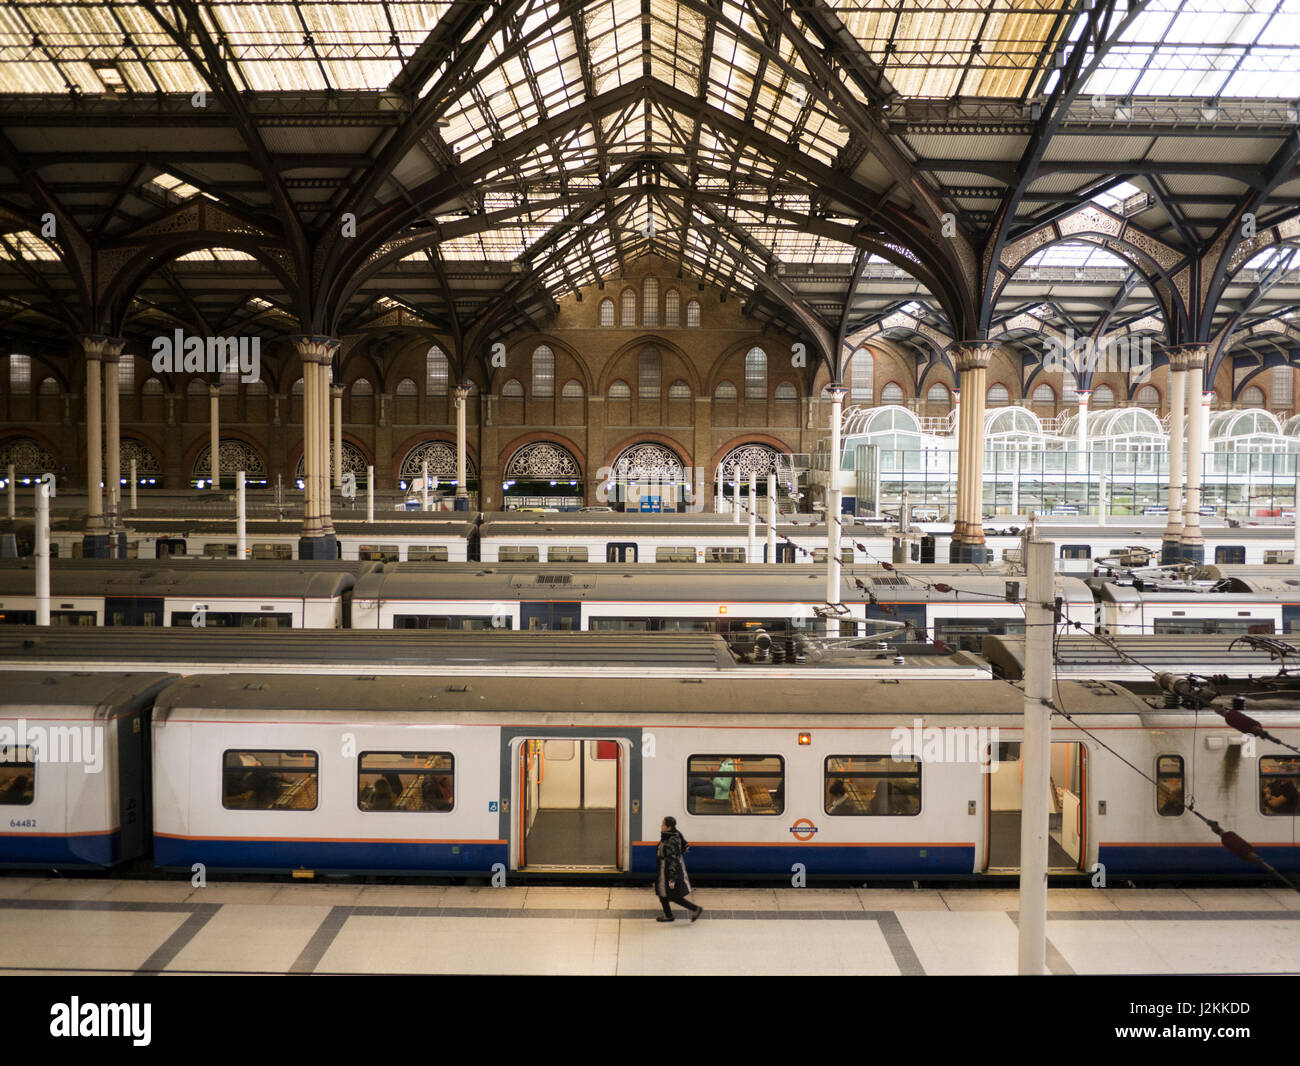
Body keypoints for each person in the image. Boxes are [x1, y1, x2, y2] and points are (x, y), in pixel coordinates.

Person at [654, 816, 702, 923]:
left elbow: (672, 860)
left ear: (668, 827)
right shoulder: (672, 834)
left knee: (673, 895)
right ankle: (668, 915)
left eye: (663, 824)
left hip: (669, 871)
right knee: (662, 893)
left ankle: (695, 909)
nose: (661, 826)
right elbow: (685, 847)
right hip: (664, 870)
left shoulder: (671, 840)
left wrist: (672, 878)